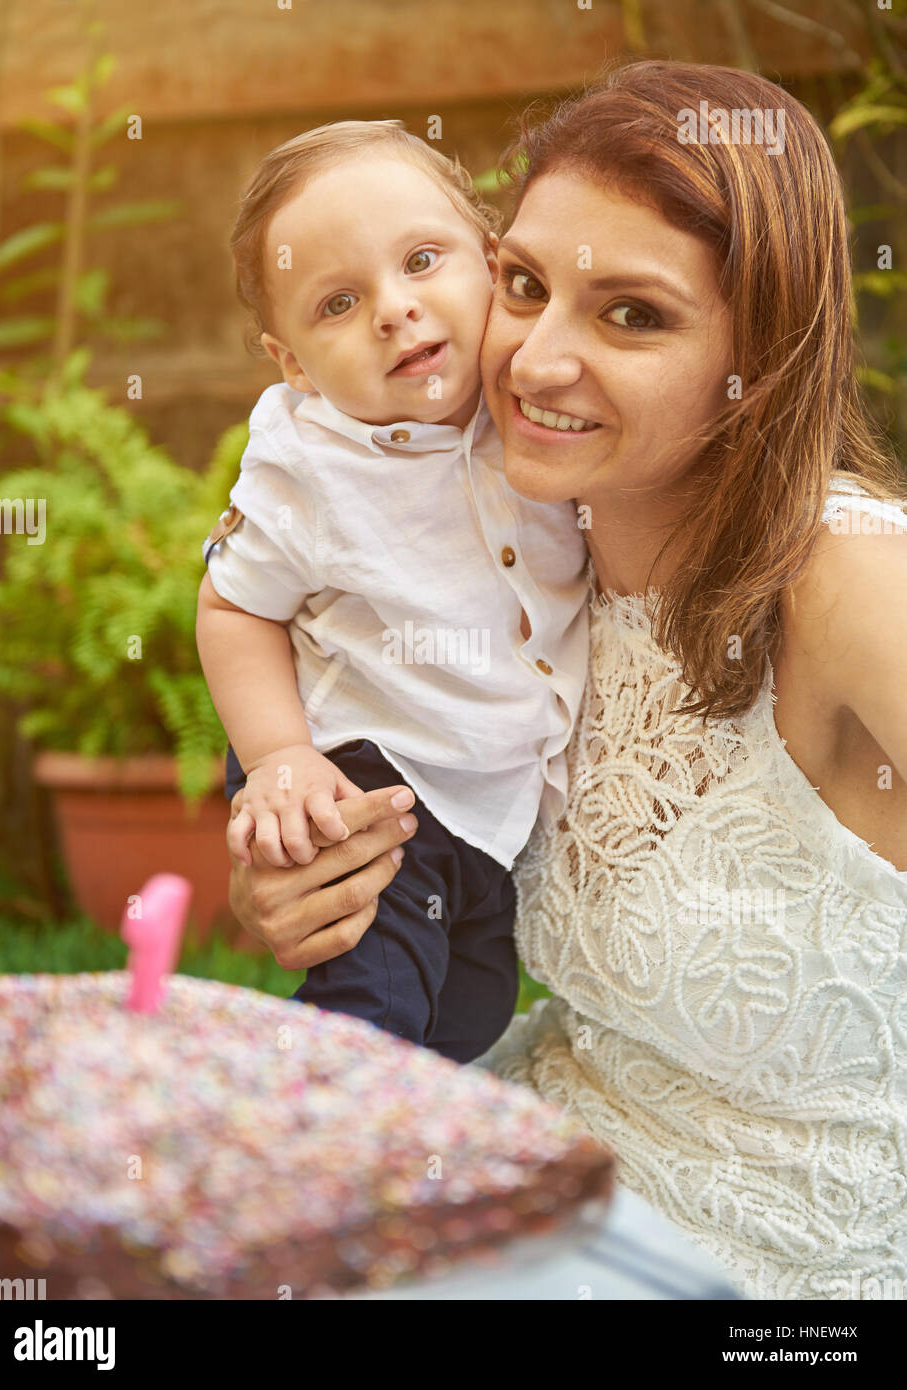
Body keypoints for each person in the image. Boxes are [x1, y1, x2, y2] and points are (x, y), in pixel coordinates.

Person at [221, 62, 907, 1299]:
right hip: (544, 1152)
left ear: (761, 351)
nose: (534, 360)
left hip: (777, 1273)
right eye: (527, 285)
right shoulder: (516, 553)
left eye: (632, 315)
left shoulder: (846, 580)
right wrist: (309, 880)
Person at [196, 121, 591, 1064]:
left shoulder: (537, 406)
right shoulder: (312, 465)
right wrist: (280, 755)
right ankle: (324, 1162)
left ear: (492, 263)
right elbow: (233, 605)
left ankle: (409, 1155)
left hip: (482, 803)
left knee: (471, 1012)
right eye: (336, 303)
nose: (393, 310)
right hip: (361, 772)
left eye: (422, 260)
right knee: (371, 1015)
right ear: (291, 362)